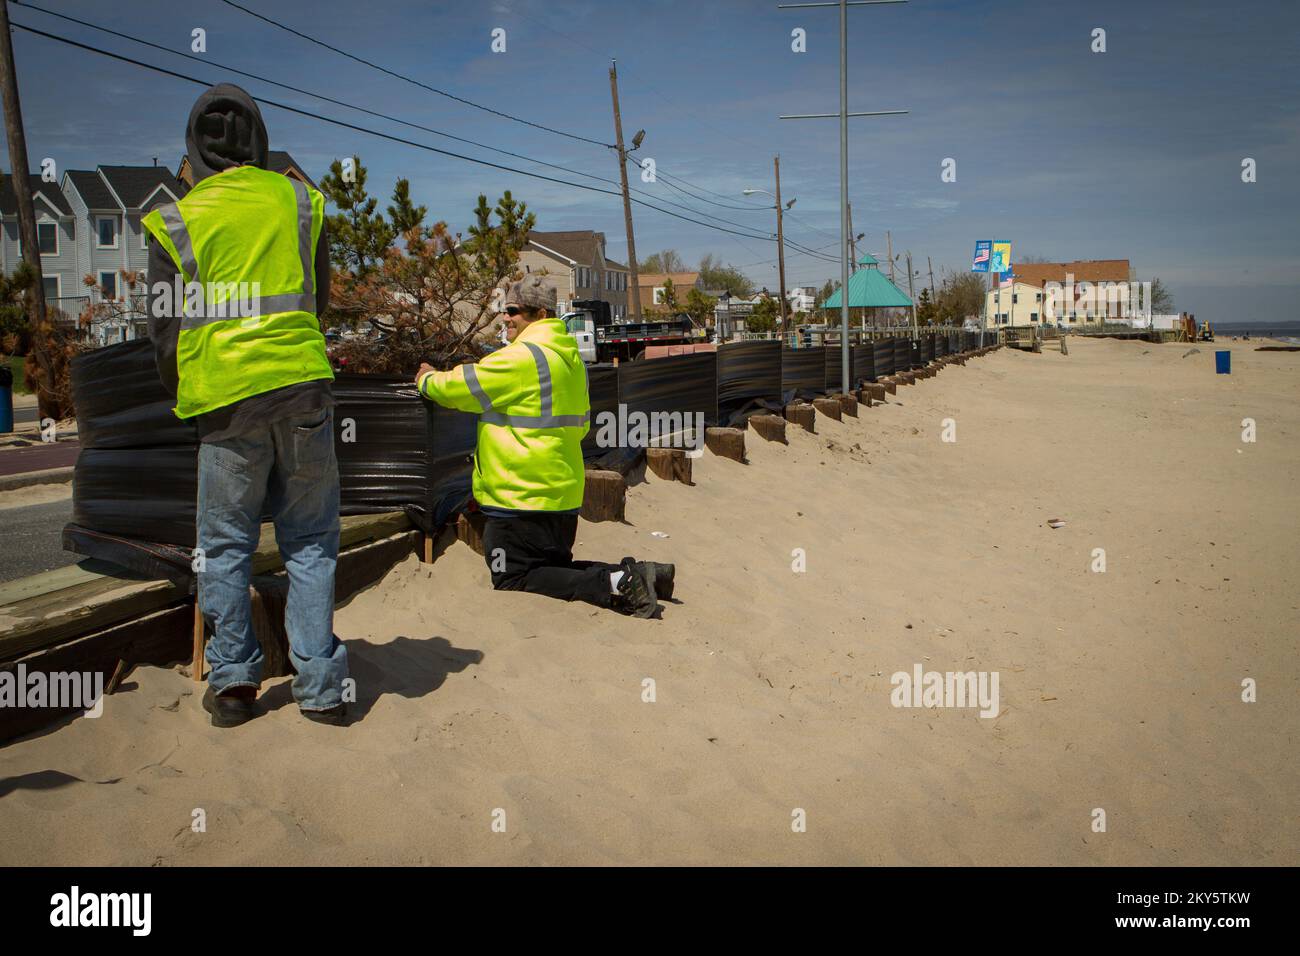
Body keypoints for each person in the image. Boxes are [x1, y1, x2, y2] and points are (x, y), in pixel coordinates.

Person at [144, 83, 348, 727]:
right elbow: (318, 301)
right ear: (257, 141)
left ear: (192, 150)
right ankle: (318, 687)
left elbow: (164, 332)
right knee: (311, 540)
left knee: (225, 545)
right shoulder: (297, 201)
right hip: (302, 390)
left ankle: (234, 682)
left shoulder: (178, 218)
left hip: (226, 401)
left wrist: (188, 393)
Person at [417, 276, 673, 617]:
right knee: (549, 566)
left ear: (538, 314)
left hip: (518, 497)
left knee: (513, 576)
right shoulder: (571, 361)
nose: (505, 318)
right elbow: (581, 423)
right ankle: (643, 574)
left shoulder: (522, 357)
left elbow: (460, 387)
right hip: (560, 496)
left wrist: (426, 379)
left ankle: (618, 582)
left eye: (512, 311)